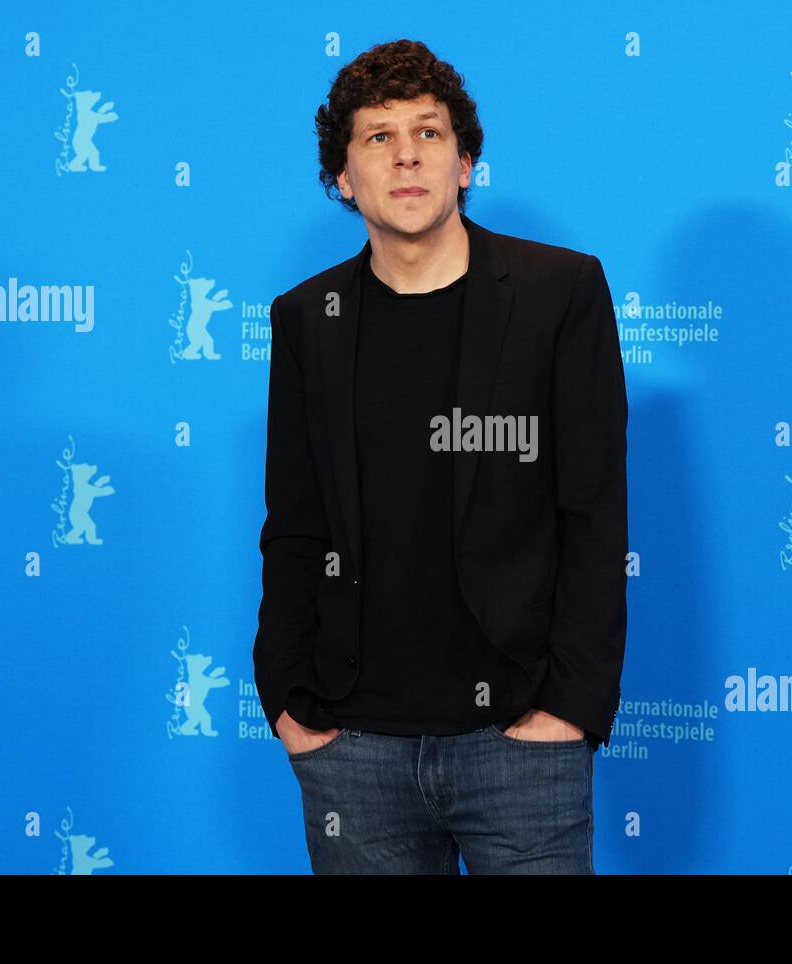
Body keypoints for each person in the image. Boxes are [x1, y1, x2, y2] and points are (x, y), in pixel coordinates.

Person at [253, 38, 628, 874]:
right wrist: (285, 698)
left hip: (520, 741)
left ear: (466, 161)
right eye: (377, 137)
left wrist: (571, 706)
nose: (407, 154)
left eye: (428, 131)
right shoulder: (307, 319)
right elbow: (295, 520)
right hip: (353, 747)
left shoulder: (558, 293)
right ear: (343, 178)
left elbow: (595, 513)